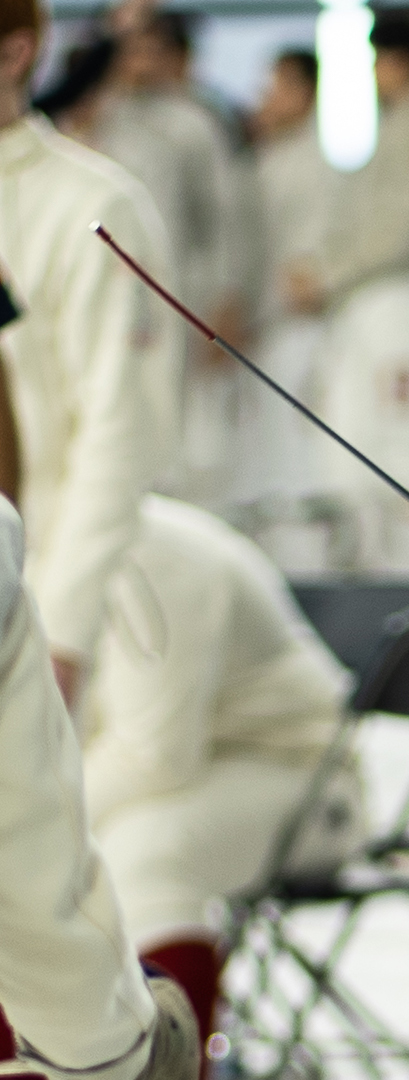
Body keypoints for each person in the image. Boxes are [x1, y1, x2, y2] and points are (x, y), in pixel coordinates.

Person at [81, 494, 365, 1070]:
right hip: (197, 771)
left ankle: (173, 1067)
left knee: (145, 849)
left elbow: (153, 756)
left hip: (303, 779)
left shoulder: (157, 555)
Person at [0, 0, 180, 716]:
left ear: (14, 54)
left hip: (43, 596)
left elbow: (121, 432)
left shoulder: (94, 207)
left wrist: (62, 629)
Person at [0, 492, 199, 1080]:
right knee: (144, 847)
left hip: (278, 766)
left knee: (152, 846)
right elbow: (19, 825)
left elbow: (162, 754)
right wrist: (102, 1050)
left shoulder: (170, 560)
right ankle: (113, 1051)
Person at [308, 12, 409, 573]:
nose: (373, 72)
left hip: (403, 303)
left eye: (377, 60)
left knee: (406, 444)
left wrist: (327, 274)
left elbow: (402, 230)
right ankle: (370, 566)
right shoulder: (394, 127)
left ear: (400, 62)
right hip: (367, 304)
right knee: (361, 439)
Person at [88, 7, 244, 513]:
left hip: (173, 294)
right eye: (127, 45)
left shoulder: (192, 123)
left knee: (172, 415)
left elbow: (220, 220)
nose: (139, 58)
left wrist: (223, 298)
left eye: (148, 46)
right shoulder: (86, 117)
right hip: (97, 289)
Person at [231, 48, 339, 571]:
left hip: (302, 328)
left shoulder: (320, 159)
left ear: (303, 91)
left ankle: (306, 569)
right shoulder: (268, 157)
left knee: (298, 462)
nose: (265, 99)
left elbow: (310, 262)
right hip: (266, 328)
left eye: (276, 86)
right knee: (266, 461)